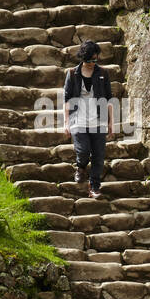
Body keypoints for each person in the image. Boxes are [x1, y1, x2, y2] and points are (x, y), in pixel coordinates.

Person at [61, 40, 115, 199]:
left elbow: (109, 99)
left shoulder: (103, 73)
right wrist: (66, 123)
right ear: (82, 58)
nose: (92, 63)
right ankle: (80, 167)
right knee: (83, 150)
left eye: (95, 60)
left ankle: (95, 187)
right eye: (89, 60)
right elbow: (66, 99)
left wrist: (111, 122)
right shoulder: (72, 73)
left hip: (98, 120)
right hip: (78, 119)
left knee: (98, 156)